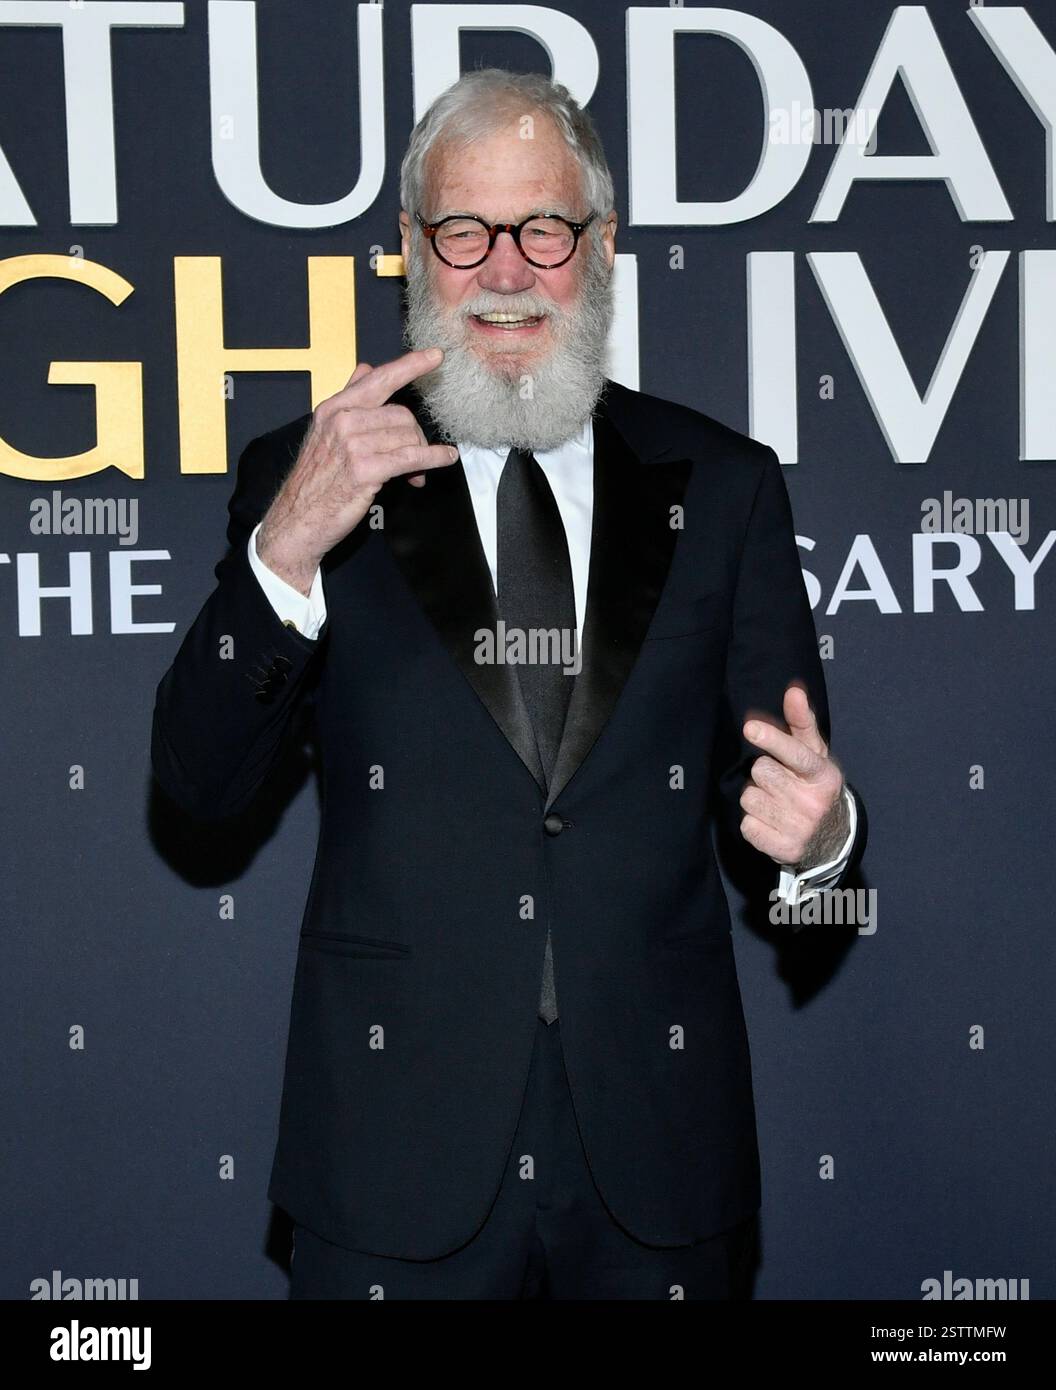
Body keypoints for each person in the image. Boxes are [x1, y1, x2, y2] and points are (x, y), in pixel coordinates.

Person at [151, 67, 866, 1300]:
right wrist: (284, 554)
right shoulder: (310, 473)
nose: (504, 270)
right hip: (390, 1155)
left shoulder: (725, 482)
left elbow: (806, 856)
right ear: (411, 249)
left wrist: (827, 849)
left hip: (660, 1159)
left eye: (543, 227)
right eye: (464, 229)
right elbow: (196, 790)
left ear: (601, 245)